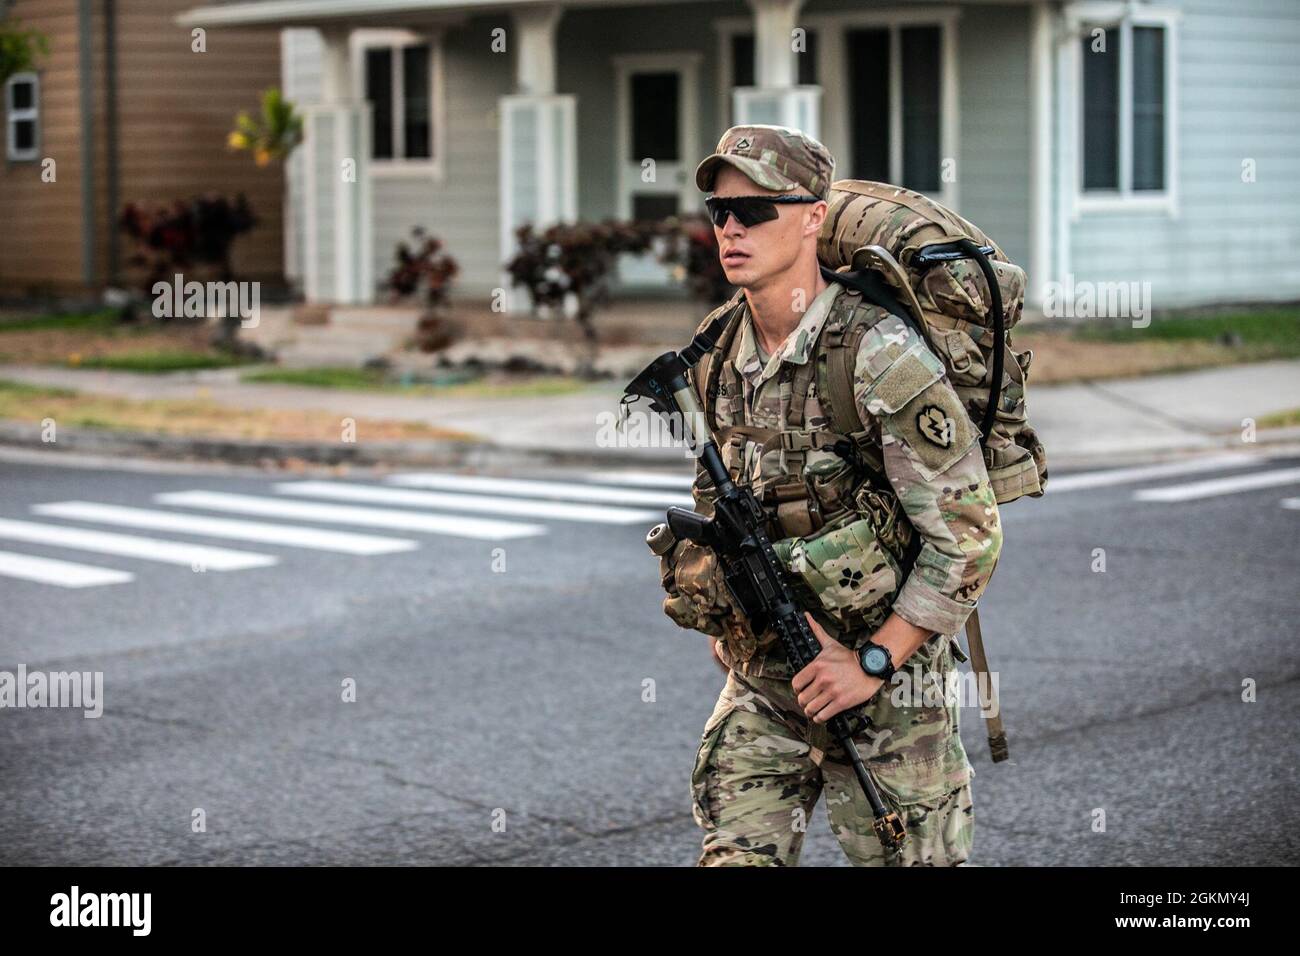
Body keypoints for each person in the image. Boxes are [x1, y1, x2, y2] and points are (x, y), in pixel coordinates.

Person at [660, 124, 1004, 866]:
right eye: (719, 213)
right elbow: (719, 487)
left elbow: (969, 536)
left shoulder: (877, 353)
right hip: (766, 679)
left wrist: (872, 662)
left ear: (814, 215)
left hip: (886, 688)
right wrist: (725, 609)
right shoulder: (720, 347)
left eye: (754, 212)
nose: (730, 230)